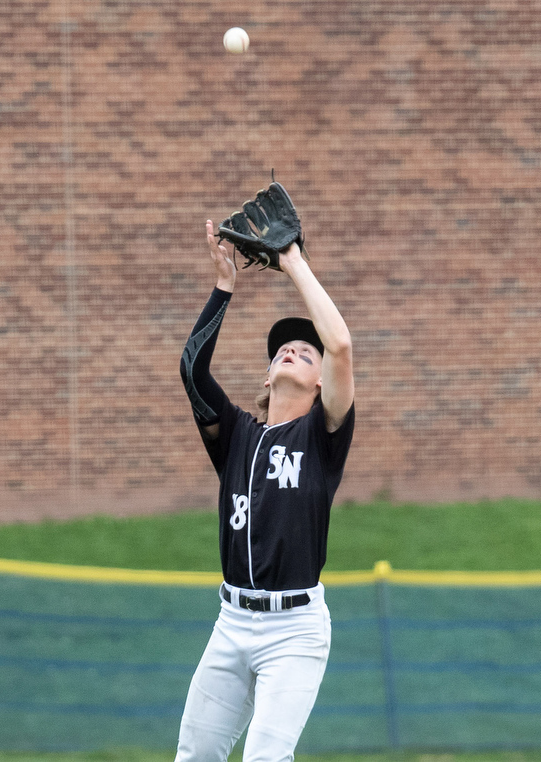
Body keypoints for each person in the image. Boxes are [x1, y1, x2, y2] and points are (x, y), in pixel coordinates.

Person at [175, 219, 355, 761]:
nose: (292, 350)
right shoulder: (236, 437)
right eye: (282, 349)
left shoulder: (322, 435)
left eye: (305, 351)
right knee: (194, 756)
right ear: (267, 374)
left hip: (294, 631)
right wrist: (223, 285)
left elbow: (340, 344)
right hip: (231, 622)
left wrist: (292, 260)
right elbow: (192, 369)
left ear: (322, 382)